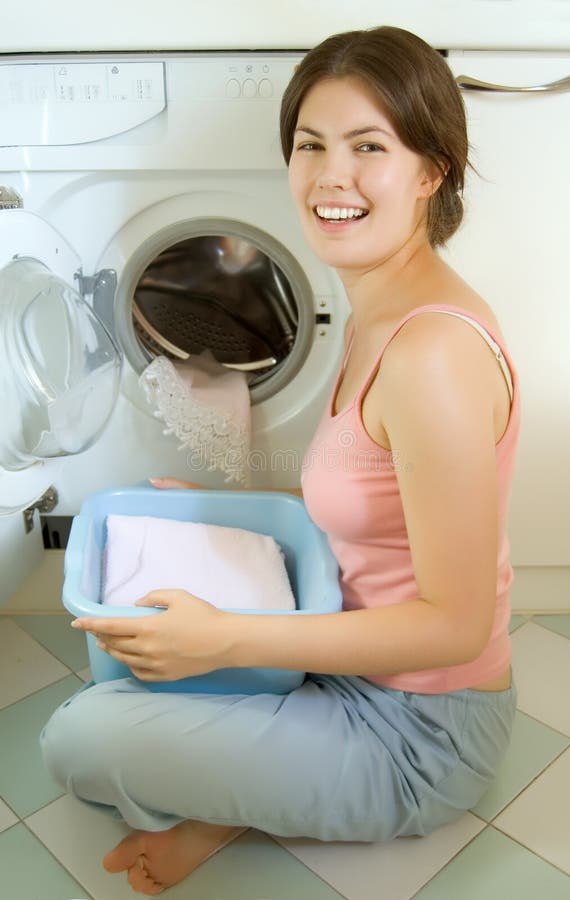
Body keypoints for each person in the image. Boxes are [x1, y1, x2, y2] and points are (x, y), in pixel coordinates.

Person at [41, 26, 520, 896]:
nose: (330, 176)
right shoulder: (375, 302)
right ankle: (264, 770)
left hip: (417, 732)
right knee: (121, 674)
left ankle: (245, 798)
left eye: (368, 146)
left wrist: (223, 638)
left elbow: (452, 625)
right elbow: (371, 498)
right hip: (337, 656)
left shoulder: (432, 356)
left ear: (431, 169)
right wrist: (231, 511)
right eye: (311, 145)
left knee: (77, 743)